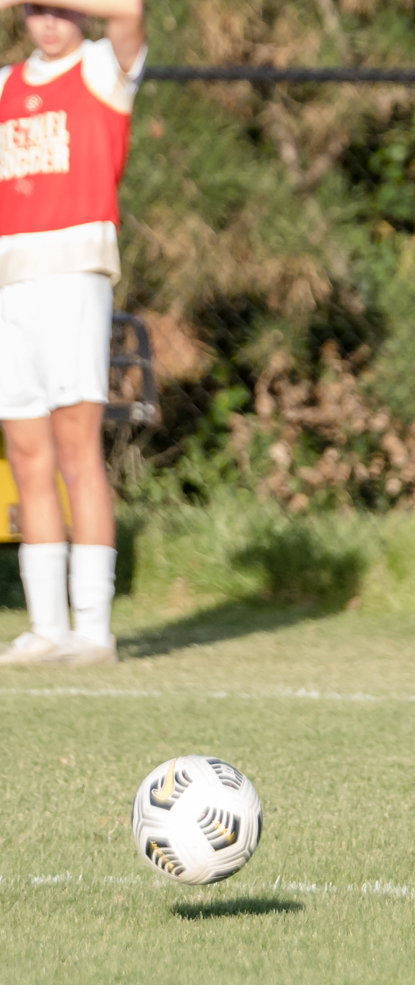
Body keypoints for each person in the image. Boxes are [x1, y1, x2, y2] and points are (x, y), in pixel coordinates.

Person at [0, 0, 145, 665]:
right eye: (35, 11)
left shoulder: (99, 67)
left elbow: (128, 11)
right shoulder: (6, 83)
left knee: (76, 447)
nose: (49, 21)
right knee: (27, 454)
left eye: (59, 8)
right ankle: (46, 627)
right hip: (10, 281)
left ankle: (92, 630)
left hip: (74, 277)